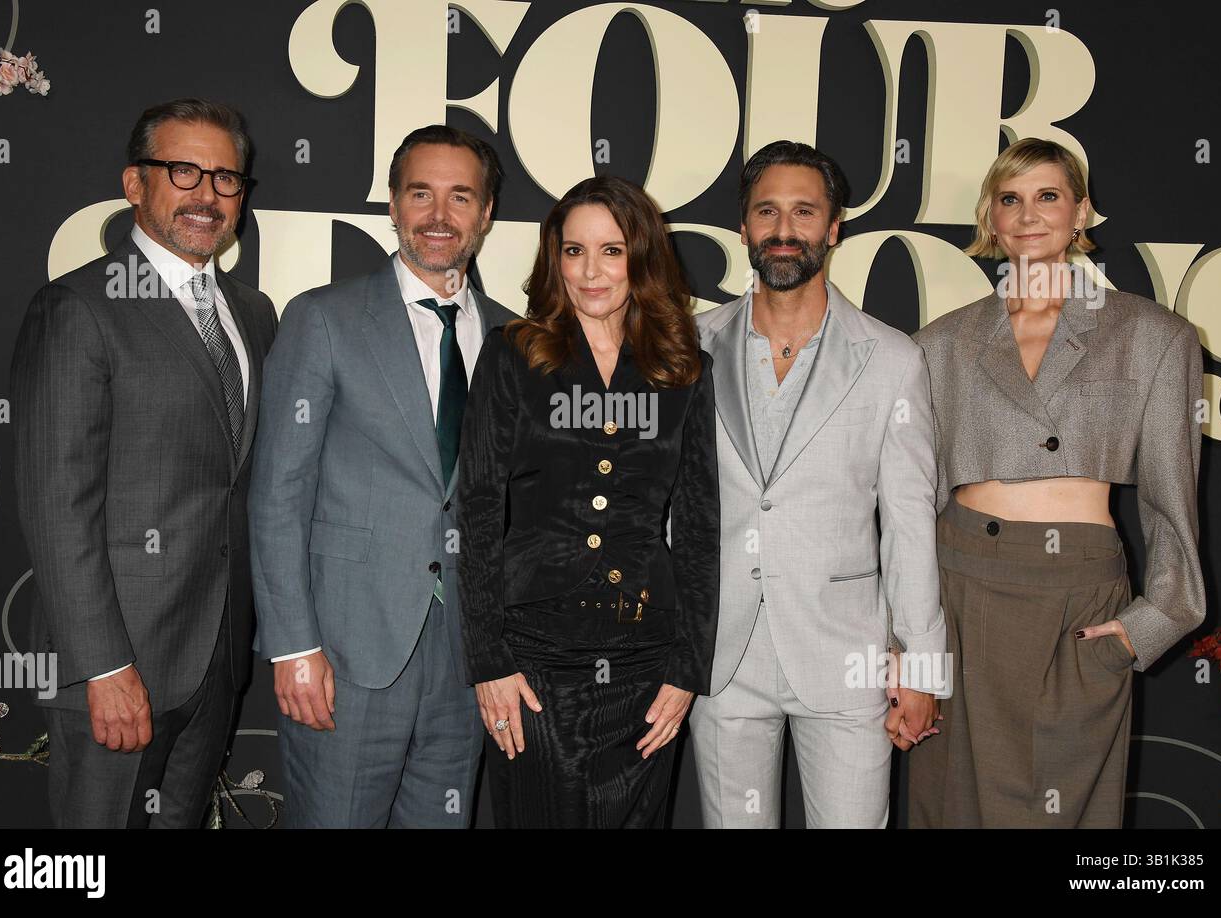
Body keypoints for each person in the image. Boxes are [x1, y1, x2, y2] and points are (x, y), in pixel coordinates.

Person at [908, 137, 1206, 828]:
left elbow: (1172, 506)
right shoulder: (939, 343)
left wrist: (1149, 625)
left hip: (1075, 600)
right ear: (991, 217)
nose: (1028, 214)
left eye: (1047, 195)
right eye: (1010, 199)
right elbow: (912, 506)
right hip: (960, 589)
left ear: (1081, 212)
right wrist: (904, 645)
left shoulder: (1154, 335)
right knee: (949, 807)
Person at [10, 99, 276, 827]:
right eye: (183, 171)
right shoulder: (79, 308)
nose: (208, 195)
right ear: (134, 183)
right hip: (119, 664)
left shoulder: (253, 313)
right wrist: (104, 667)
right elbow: (56, 505)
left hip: (216, 660)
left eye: (227, 178)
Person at [248, 125, 519, 827]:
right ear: (393, 207)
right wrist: (294, 646)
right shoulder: (324, 320)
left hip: (467, 659)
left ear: (486, 214)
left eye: (461, 197)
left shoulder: (517, 340)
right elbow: (279, 494)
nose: (439, 215)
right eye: (420, 193)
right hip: (344, 653)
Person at [688, 140, 946, 828]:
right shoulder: (689, 346)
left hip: (847, 656)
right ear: (743, 227)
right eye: (766, 211)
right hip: (722, 658)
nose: (783, 229)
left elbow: (911, 522)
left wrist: (922, 666)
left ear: (833, 230)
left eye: (804, 212)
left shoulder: (891, 359)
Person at [457, 174, 719, 828]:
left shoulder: (683, 367)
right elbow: (479, 513)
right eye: (574, 251)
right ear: (555, 260)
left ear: (642, 257)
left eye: (611, 250)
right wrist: (490, 662)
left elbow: (697, 528)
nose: (591, 270)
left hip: (645, 656)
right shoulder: (512, 356)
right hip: (534, 657)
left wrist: (686, 670)